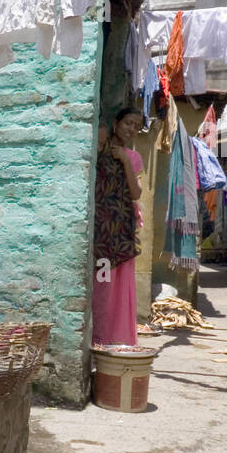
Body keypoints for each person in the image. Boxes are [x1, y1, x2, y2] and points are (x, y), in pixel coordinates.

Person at [91, 109, 144, 346]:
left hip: (121, 236)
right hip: (101, 236)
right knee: (102, 287)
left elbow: (136, 192)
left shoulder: (133, 158)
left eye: (136, 126)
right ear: (116, 122)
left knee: (119, 289)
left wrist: (123, 159)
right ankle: (99, 338)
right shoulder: (99, 149)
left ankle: (117, 340)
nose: (131, 129)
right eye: (128, 123)